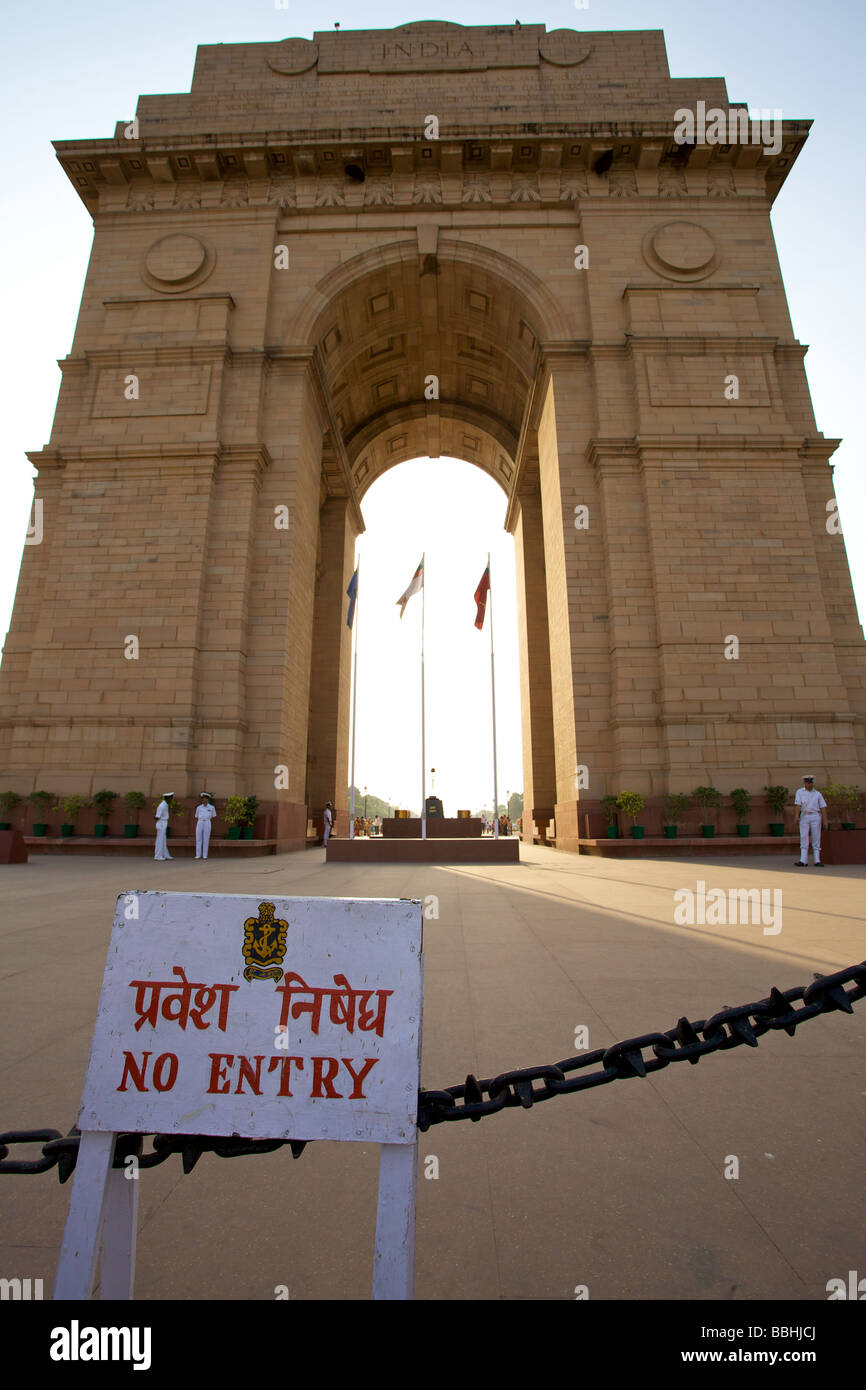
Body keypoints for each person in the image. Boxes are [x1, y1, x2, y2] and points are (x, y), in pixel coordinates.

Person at [794, 775, 828, 866]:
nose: (809, 785)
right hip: (804, 815)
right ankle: (803, 860)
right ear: (804, 783)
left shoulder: (817, 794)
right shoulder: (800, 792)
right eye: (808, 783)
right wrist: (796, 816)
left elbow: (823, 807)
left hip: (815, 816)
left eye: (811, 783)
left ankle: (817, 860)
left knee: (816, 837)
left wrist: (825, 821)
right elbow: (798, 805)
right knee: (804, 837)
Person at [195, 792, 216, 860]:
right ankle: (198, 855)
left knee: (206, 839)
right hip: (200, 822)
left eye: (205, 798)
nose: (204, 800)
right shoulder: (199, 807)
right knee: (198, 838)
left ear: (208, 799)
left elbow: (213, 815)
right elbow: (197, 816)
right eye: (203, 798)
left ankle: (205, 855)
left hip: (207, 822)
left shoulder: (212, 807)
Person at [154, 792, 173, 861]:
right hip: (161, 823)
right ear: (167, 799)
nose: (171, 800)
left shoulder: (165, 805)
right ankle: (158, 855)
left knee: (163, 840)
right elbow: (157, 816)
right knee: (160, 840)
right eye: (171, 799)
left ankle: (165, 854)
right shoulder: (162, 805)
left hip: (164, 822)